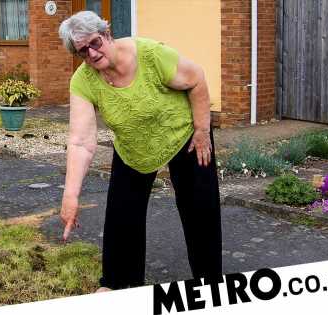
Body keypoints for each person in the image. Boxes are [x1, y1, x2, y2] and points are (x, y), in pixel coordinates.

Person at [58, 11, 222, 292]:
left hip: (184, 135)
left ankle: (209, 286)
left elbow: (196, 79)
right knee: (122, 216)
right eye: (83, 51)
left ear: (107, 34)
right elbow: (81, 141)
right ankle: (119, 285)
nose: (92, 54)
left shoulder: (151, 55)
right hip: (133, 146)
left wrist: (202, 130)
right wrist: (70, 195)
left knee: (200, 211)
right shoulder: (83, 81)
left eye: (95, 43)